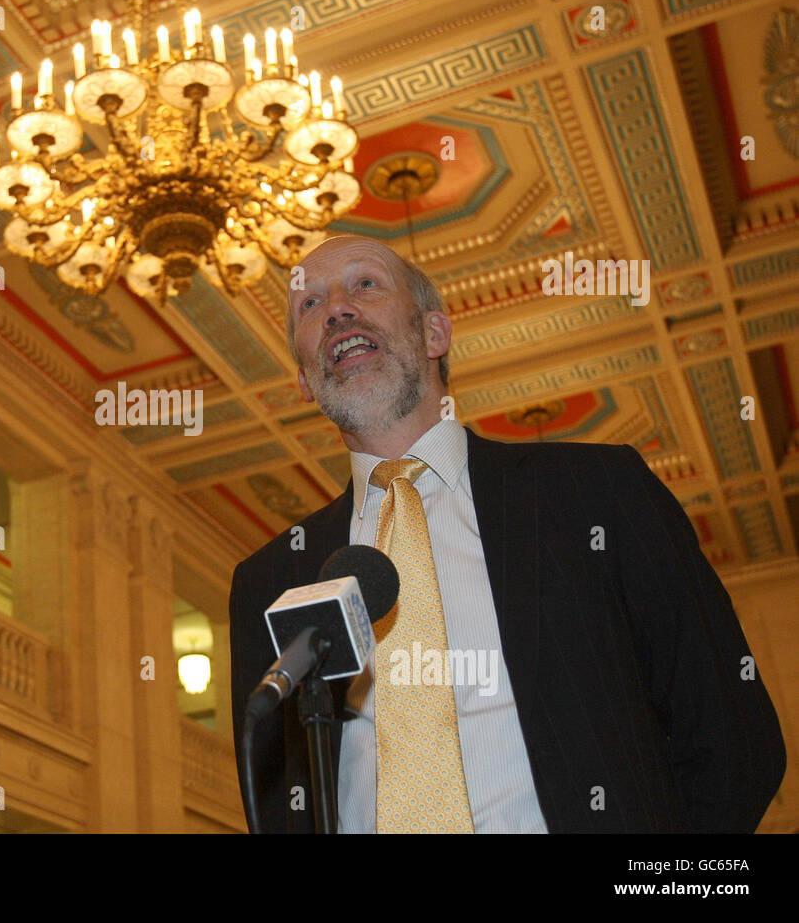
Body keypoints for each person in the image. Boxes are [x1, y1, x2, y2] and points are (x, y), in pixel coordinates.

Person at [228, 235, 786, 833]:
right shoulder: (271, 578)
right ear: (305, 381)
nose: (337, 307)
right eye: (309, 304)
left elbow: (732, 736)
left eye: (365, 284)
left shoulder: (596, 493)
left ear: (435, 334)